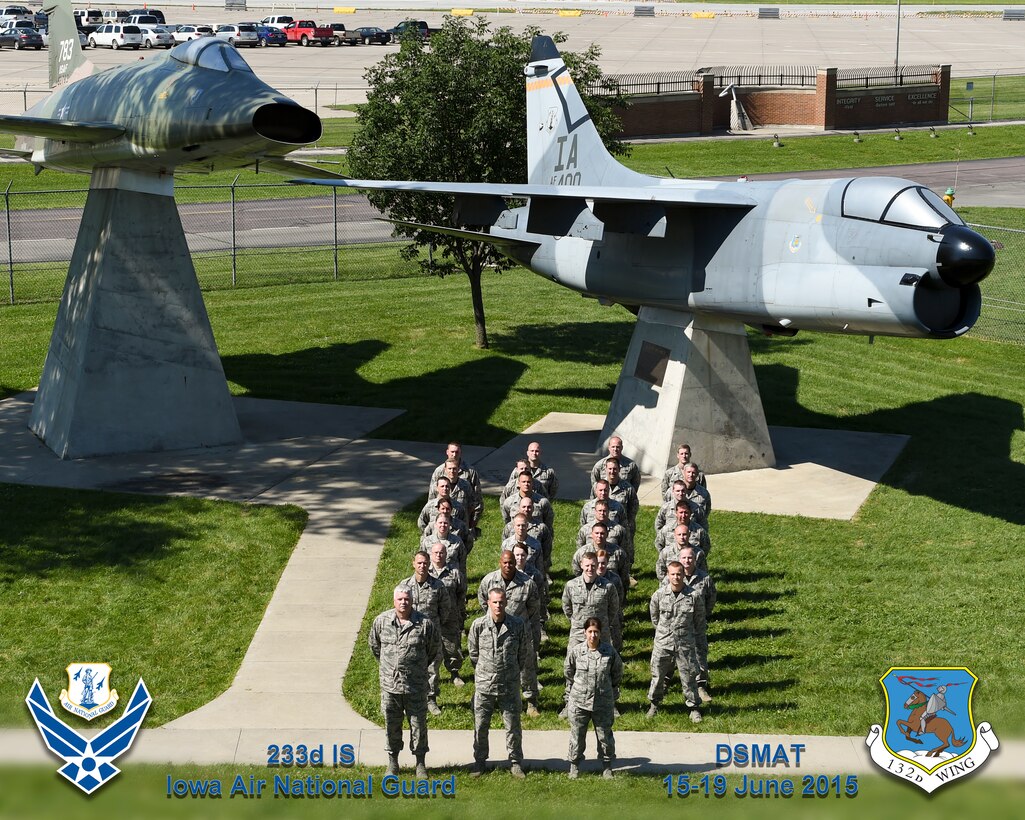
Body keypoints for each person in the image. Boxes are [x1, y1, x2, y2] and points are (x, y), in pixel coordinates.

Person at [368, 585, 440, 778]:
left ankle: (420, 764)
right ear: (394, 601)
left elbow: (432, 650)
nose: (403, 602)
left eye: (407, 599)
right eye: (400, 599)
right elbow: (375, 647)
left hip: (415, 686)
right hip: (390, 687)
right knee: (392, 724)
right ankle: (393, 763)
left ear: (412, 600)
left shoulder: (424, 624)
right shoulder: (382, 622)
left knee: (418, 725)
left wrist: (415, 668)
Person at [468, 588, 529, 778]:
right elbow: (473, 653)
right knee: (481, 725)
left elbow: (523, 653)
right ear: (488, 603)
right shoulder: (478, 625)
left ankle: (515, 762)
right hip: (485, 686)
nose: (498, 605)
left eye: (501, 602)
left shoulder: (517, 625)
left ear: (506, 602)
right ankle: (479, 761)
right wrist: (486, 672)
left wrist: (509, 672)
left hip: (509, 685)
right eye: (495, 602)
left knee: (512, 726)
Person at [477, 551, 542, 716]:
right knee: (496, 664)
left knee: (527, 667)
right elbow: (483, 600)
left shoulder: (527, 583)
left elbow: (533, 608)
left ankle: (531, 701)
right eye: (505, 562)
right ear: (500, 562)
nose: (508, 566)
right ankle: (496, 700)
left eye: (511, 563)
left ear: (516, 563)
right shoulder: (489, 580)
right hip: (495, 631)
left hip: (521, 632)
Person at [565, 617, 623, 780]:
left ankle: (607, 766)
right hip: (579, 702)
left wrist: (610, 689)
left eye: (596, 632)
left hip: (602, 702)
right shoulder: (576, 651)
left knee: (605, 736)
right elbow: (568, 671)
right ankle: (574, 766)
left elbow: (617, 672)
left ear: (600, 633)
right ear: (584, 633)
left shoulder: (609, 652)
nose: (593, 635)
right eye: (590, 632)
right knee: (577, 736)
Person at [647, 561, 702, 723]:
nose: (676, 577)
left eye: (679, 574)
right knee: (657, 675)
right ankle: (654, 704)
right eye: (673, 574)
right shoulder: (658, 595)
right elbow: (655, 617)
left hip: (685, 643)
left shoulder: (694, 596)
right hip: (663, 642)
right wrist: (664, 633)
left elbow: (698, 620)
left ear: (684, 575)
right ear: (668, 575)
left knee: (689, 675)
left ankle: (693, 707)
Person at [400, 551, 453, 715]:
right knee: (408, 668)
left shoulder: (438, 586)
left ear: (429, 564)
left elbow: (445, 609)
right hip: (411, 634)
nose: (422, 566)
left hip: (431, 635)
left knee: (432, 670)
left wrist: (434, 626)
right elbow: (400, 609)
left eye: (425, 563)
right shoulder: (405, 586)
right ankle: (409, 701)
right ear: (413, 563)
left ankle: (431, 700)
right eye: (419, 563)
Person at [675, 545, 717, 704]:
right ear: (679, 559)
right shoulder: (673, 577)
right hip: (677, 625)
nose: (687, 561)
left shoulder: (704, 578)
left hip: (697, 624)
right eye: (684, 558)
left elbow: (711, 598)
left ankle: (700, 686)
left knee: (699, 654)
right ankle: (666, 685)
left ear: (695, 559)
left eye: (690, 558)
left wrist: (703, 615)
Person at [429, 541, 466, 687]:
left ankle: (455, 674)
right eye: (436, 552)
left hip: (450, 617)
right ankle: (431, 678)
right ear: (431, 555)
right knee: (430, 648)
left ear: (446, 554)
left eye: (442, 552)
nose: (439, 555)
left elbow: (461, 592)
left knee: (452, 647)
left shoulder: (454, 573)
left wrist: (459, 611)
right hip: (430, 617)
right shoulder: (426, 572)